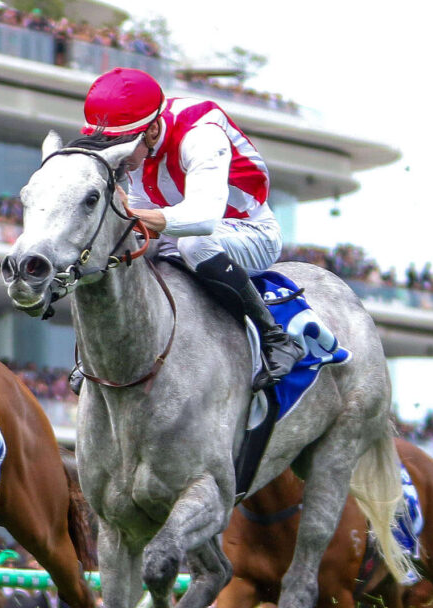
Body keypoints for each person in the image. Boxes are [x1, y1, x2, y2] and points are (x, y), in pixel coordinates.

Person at [78, 67, 302, 387]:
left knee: (194, 244)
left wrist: (129, 216)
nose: (117, 156)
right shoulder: (139, 142)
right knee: (113, 245)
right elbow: (145, 213)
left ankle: (275, 336)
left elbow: (202, 219)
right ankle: (95, 355)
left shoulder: (201, 133)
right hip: (180, 230)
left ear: (153, 128)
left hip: (248, 232)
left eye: (122, 145)